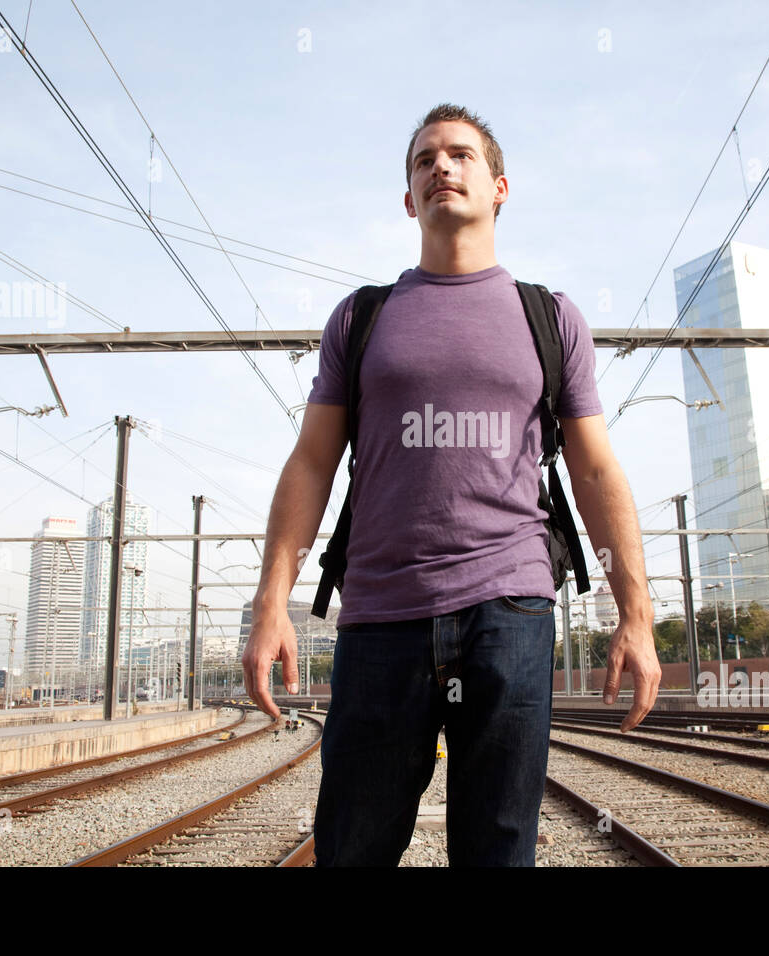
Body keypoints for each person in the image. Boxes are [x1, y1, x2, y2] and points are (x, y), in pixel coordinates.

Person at [241, 103, 660, 866]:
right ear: (409, 198)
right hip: (380, 616)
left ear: (500, 186)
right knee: (351, 848)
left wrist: (637, 610)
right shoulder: (362, 317)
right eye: (425, 159)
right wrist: (273, 600)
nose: (442, 166)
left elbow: (596, 469)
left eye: (461, 155)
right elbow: (311, 462)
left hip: (510, 610)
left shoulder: (550, 316)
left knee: (499, 851)